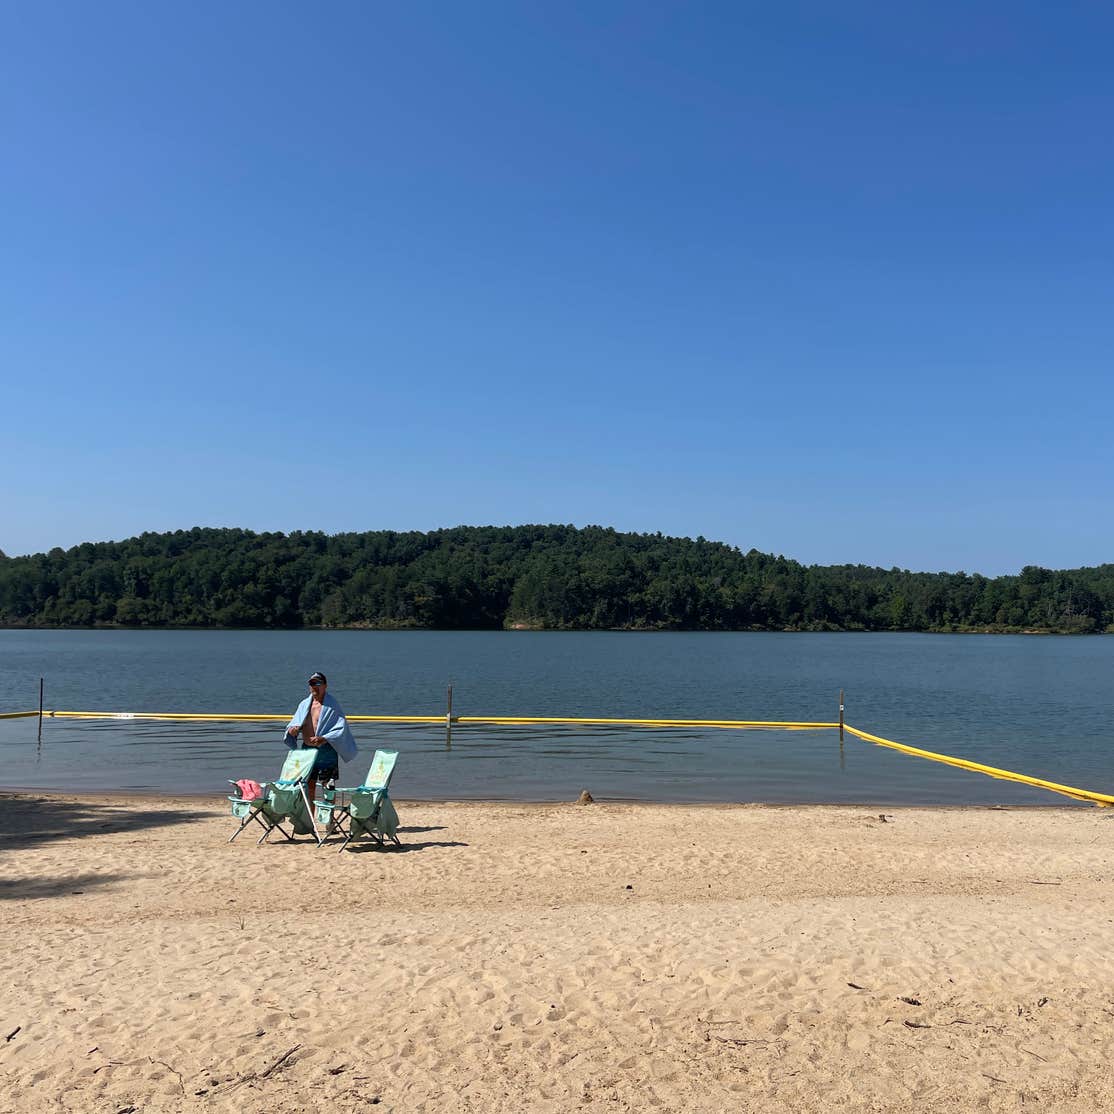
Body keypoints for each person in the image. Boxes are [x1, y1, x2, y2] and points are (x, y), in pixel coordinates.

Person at [284, 671, 358, 808]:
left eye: (318, 683)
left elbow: (341, 728)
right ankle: (310, 821)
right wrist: (293, 730)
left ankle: (329, 821)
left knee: (328, 787)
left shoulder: (332, 705)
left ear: (325, 686)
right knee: (308, 786)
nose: (314, 686)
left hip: (326, 751)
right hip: (307, 751)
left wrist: (324, 738)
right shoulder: (304, 705)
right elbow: (293, 724)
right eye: (312, 683)